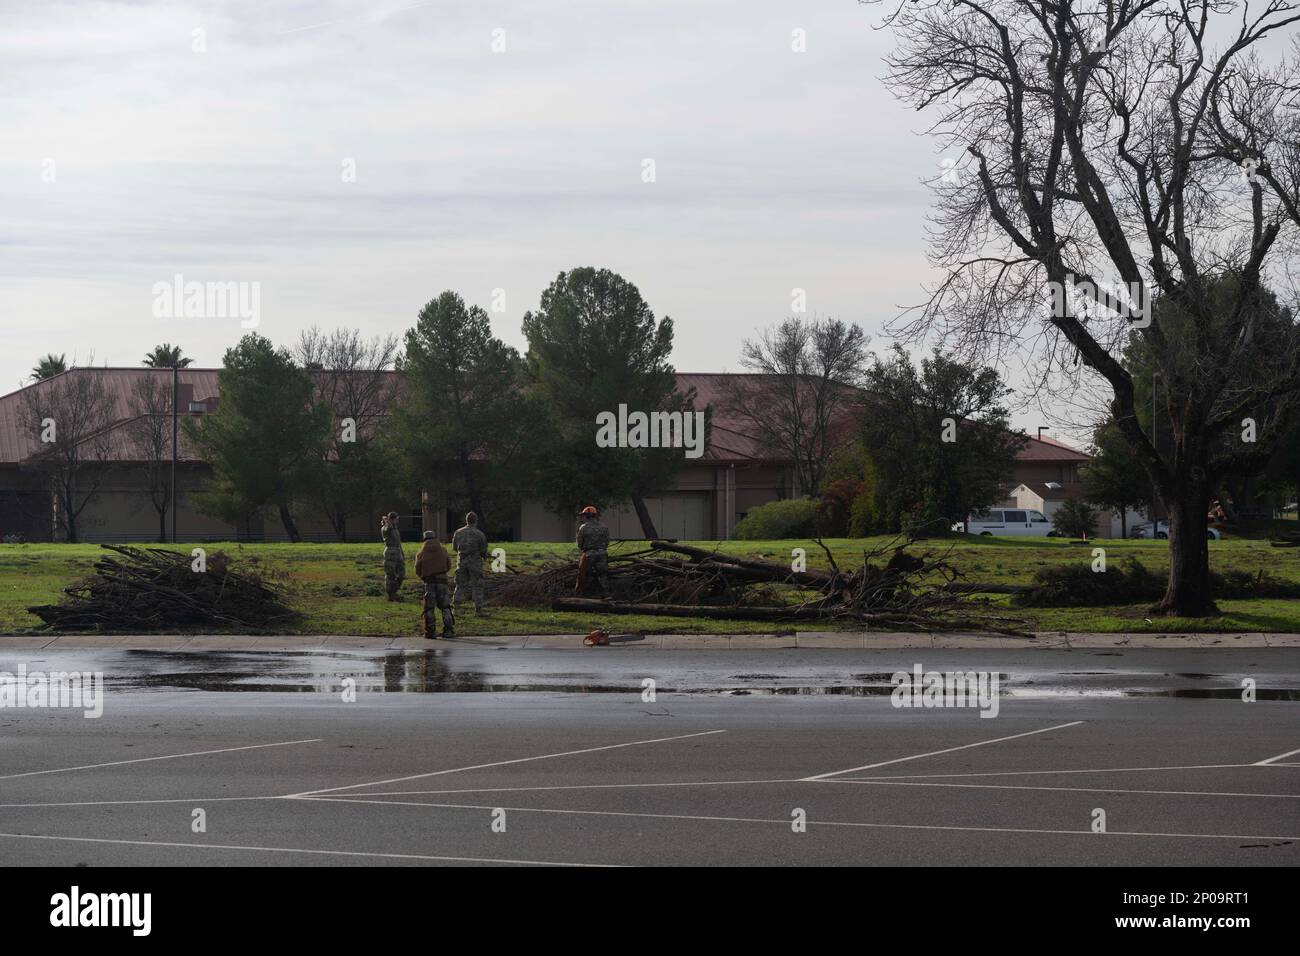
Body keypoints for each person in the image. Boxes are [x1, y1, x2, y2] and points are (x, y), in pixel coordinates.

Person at [415, 531, 455, 639]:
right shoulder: (443, 550)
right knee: (446, 607)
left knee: (429, 608)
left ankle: (430, 632)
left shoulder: (421, 553)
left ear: (424, 540)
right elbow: (448, 565)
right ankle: (448, 631)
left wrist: (424, 577)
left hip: (429, 582)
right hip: (442, 581)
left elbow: (417, 569)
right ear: (435, 538)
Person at [450, 511, 489, 614]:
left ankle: (456, 610)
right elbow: (483, 551)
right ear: (476, 521)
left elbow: (454, 548)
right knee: (478, 586)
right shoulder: (479, 534)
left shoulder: (458, 532)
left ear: (466, 520)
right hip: (475, 564)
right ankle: (478, 611)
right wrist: (484, 555)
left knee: (459, 585)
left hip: (461, 563)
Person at [575, 505, 611, 595]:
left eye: (584, 515)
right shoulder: (604, 527)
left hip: (588, 554)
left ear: (587, 516)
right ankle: (605, 593)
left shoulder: (583, 527)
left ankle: (584, 594)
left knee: (584, 574)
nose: (582, 517)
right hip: (602, 553)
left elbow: (579, 544)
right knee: (603, 575)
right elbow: (607, 542)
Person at [381, 511, 405, 601]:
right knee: (390, 574)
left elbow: (398, 542)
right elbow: (388, 528)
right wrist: (387, 520)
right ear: (392, 519)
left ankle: (394, 591)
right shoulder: (386, 527)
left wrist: (402, 553)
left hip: (397, 551)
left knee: (401, 574)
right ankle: (391, 594)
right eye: (396, 519)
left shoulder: (395, 529)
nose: (397, 521)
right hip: (390, 552)